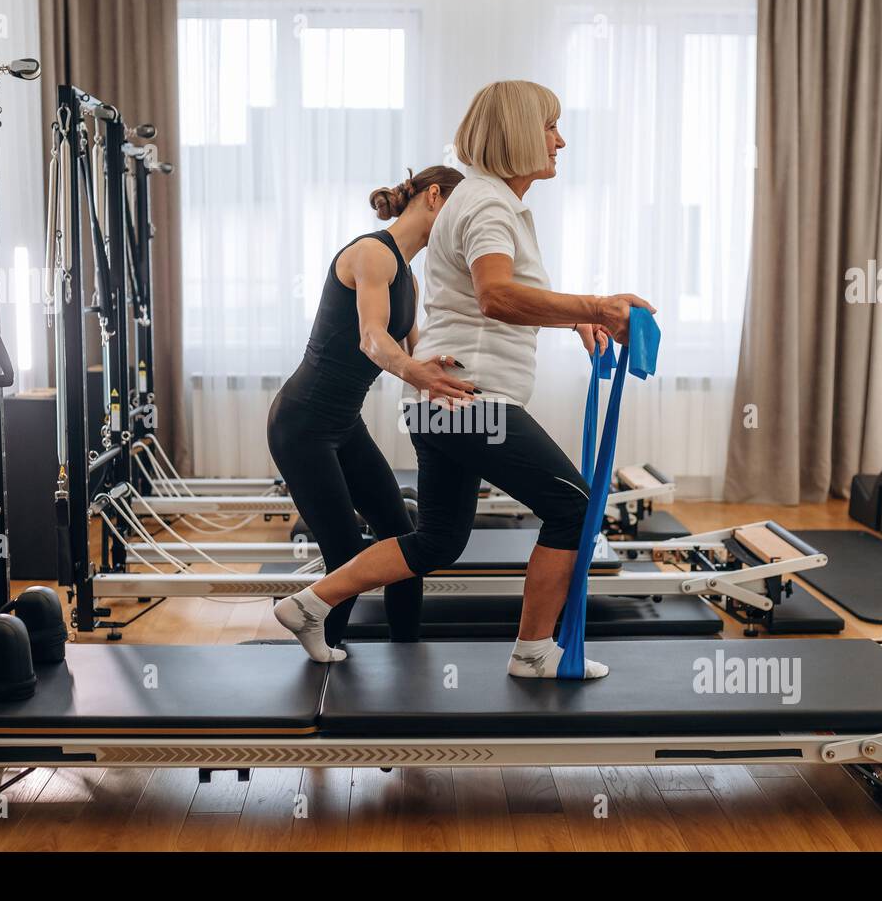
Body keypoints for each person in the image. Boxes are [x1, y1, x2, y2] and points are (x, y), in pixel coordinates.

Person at [275, 81, 652, 678]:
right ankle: (533, 653)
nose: (561, 140)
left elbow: (485, 307)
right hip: (473, 403)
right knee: (574, 508)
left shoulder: (483, 201)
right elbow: (497, 296)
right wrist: (599, 306)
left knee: (437, 541)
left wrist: (580, 314)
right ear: (519, 134)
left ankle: (309, 603)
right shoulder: (488, 203)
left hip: (443, 402)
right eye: (550, 126)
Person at [267, 165, 469, 657]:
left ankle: (407, 654)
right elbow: (373, 339)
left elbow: (414, 350)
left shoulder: (410, 278)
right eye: (461, 214)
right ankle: (323, 657)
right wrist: (418, 375)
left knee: (403, 544)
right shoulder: (371, 254)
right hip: (302, 424)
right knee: (344, 551)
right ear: (434, 198)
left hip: (343, 424)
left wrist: (446, 370)